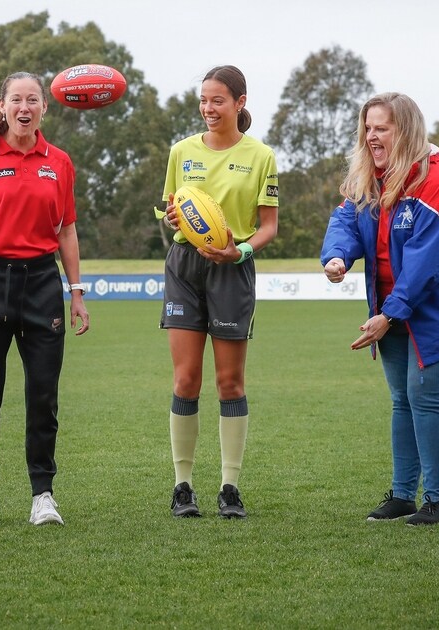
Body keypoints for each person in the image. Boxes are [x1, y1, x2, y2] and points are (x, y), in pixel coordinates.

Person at [320, 92, 439, 526]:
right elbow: (345, 221)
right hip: (393, 308)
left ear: (406, 131)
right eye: (368, 128)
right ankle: (401, 494)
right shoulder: (368, 177)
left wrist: (389, 314)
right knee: (401, 400)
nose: (372, 137)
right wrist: (337, 256)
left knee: (425, 397)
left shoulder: (438, 184)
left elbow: (426, 264)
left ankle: (437, 500)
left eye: (383, 128)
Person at [0, 72, 89, 528]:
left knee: (43, 397)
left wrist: (76, 292)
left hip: (42, 284)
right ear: (2, 106)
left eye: (33, 100)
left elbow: (67, 230)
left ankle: (42, 496)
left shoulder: (60, 162)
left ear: (44, 107)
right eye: (16, 100)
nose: (24, 108)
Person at [159, 65, 278, 519]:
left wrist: (240, 251)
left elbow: (269, 227)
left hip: (233, 269)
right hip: (185, 267)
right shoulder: (180, 152)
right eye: (204, 101)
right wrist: (171, 220)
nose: (209, 109)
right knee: (186, 379)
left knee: (230, 383)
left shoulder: (261, 155)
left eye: (218, 101)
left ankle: (229, 487)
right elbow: (171, 209)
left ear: (239, 103)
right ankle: (182, 486)